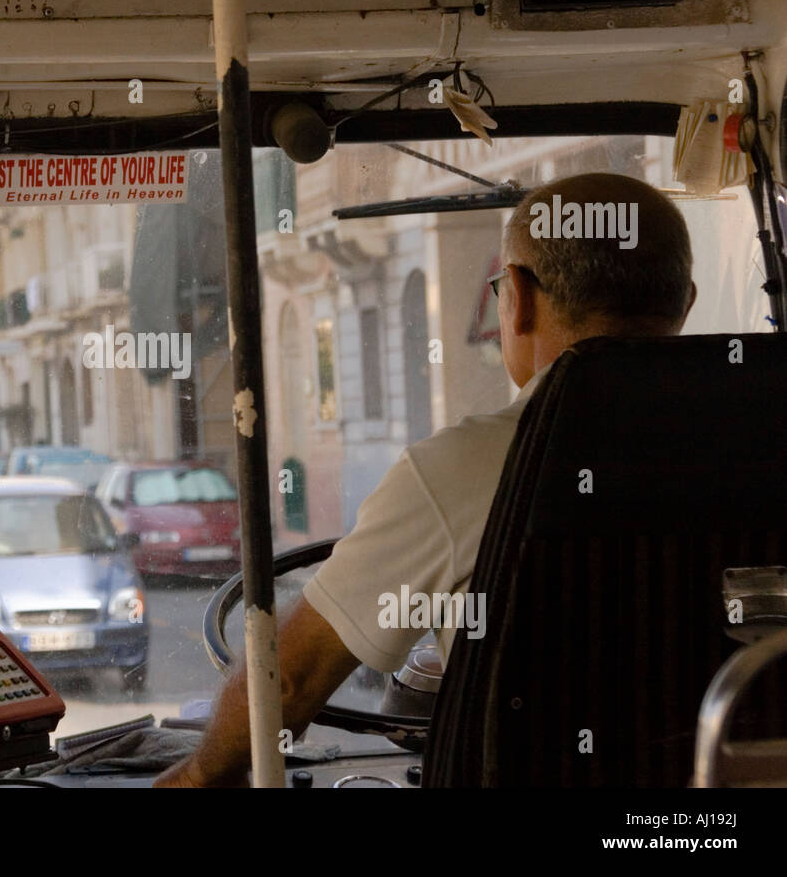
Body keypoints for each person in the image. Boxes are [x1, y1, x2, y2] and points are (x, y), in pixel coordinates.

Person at [153, 172, 698, 787]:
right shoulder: (760, 448)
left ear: (515, 294)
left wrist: (195, 776)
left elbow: (293, 679)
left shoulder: (466, 466)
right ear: (686, 303)